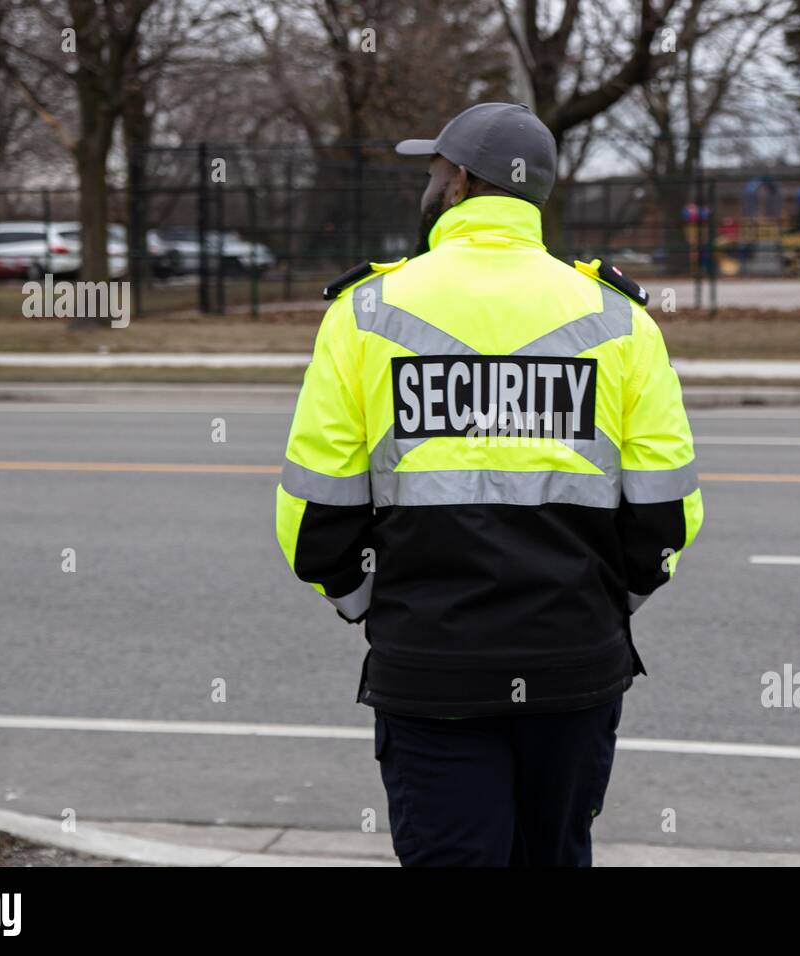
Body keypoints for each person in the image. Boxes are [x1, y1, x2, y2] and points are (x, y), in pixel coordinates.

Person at [276, 102, 703, 866]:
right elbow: (665, 515)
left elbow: (316, 518)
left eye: (435, 170)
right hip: (575, 661)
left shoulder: (365, 312)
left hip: (431, 666)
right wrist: (608, 601)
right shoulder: (618, 317)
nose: (431, 185)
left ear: (461, 182)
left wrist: (367, 603)